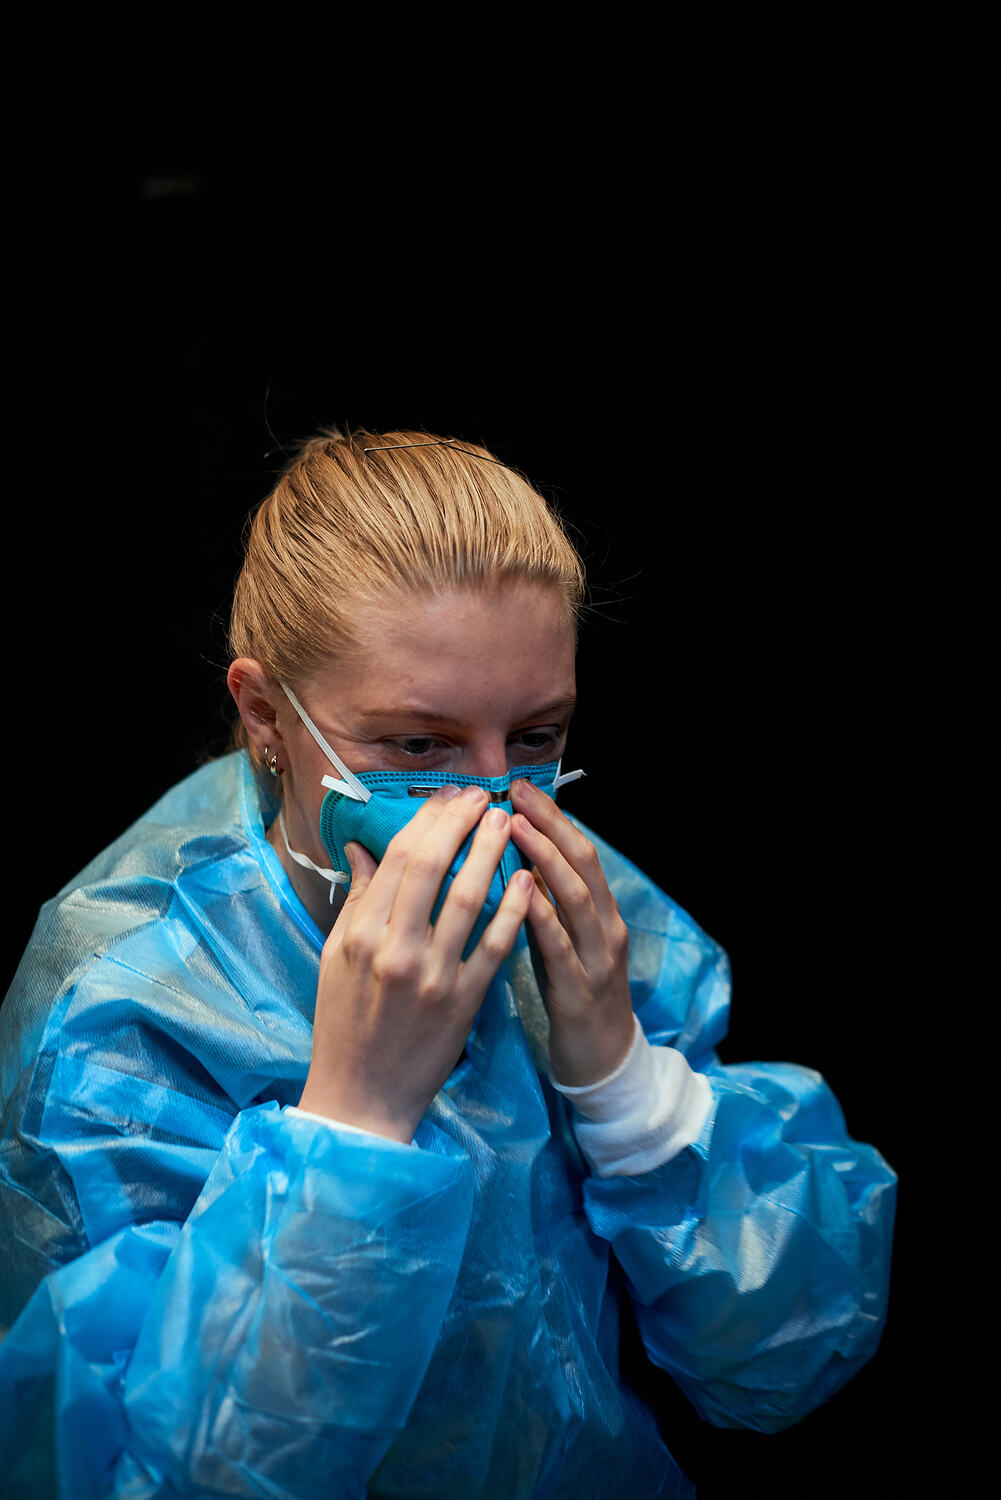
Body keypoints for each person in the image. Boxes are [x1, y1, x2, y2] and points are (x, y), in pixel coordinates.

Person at [0, 427, 896, 1499]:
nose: (485, 803)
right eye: (416, 747)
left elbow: (785, 1355)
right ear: (264, 713)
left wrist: (625, 1088)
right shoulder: (127, 1008)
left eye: (532, 738)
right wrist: (352, 1123)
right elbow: (145, 1478)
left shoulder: (579, 909)